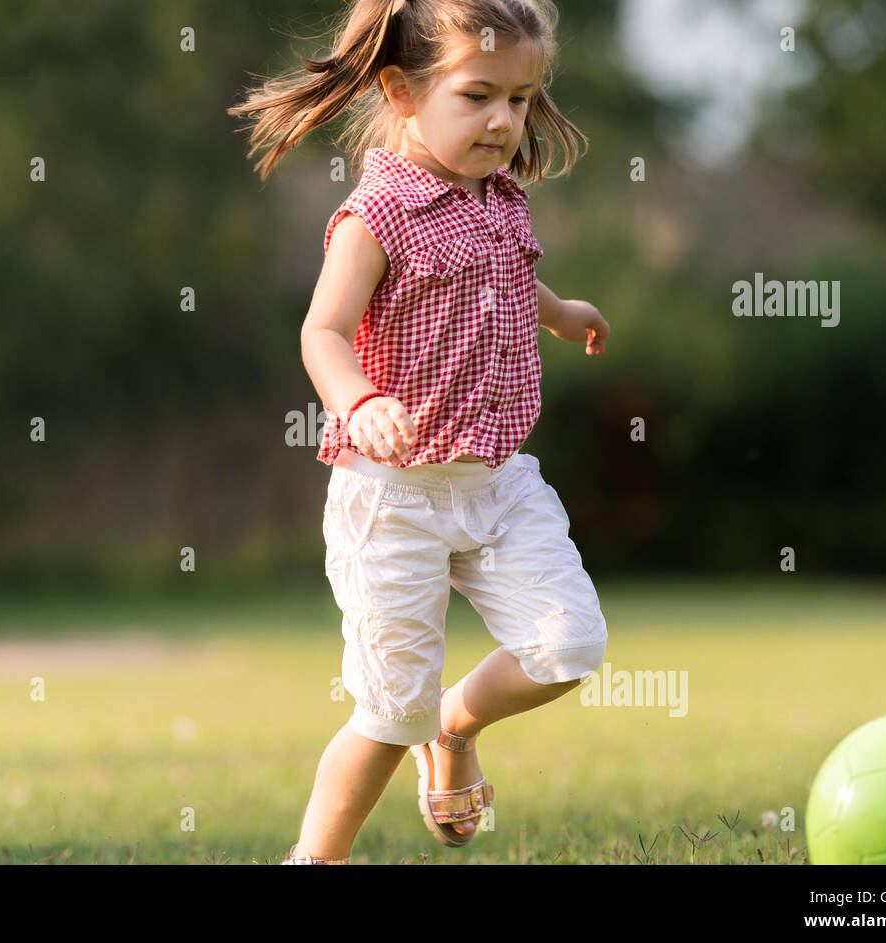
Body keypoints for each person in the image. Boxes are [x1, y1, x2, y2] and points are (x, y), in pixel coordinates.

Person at [228, 0, 610, 865]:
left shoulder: (500, 198)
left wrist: (560, 312)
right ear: (402, 91)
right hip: (392, 498)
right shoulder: (377, 214)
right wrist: (358, 400)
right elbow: (322, 331)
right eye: (478, 95)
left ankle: (457, 724)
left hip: (500, 483)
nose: (505, 121)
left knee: (570, 644)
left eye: (520, 99)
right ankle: (315, 859)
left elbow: (508, 280)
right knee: (388, 711)